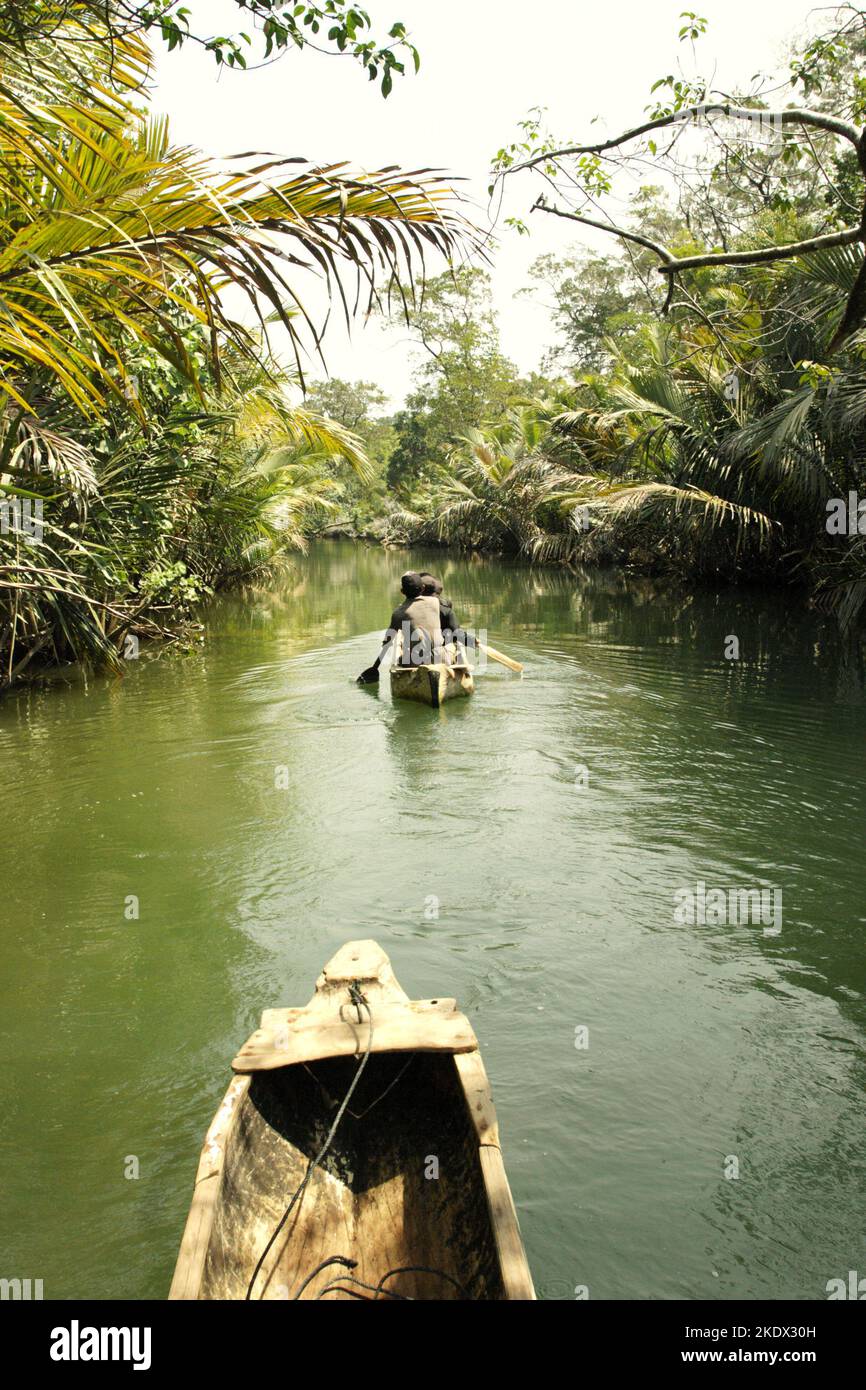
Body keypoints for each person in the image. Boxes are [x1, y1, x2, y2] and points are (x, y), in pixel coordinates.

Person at [356, 571, 445, 684]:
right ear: (423, 588)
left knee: (401, 660)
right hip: (440, 658)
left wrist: (376, 666)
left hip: (415, 662)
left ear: (402, 592)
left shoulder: (399, 613)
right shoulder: (435, 602)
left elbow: (388, 642)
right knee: (449, 648)